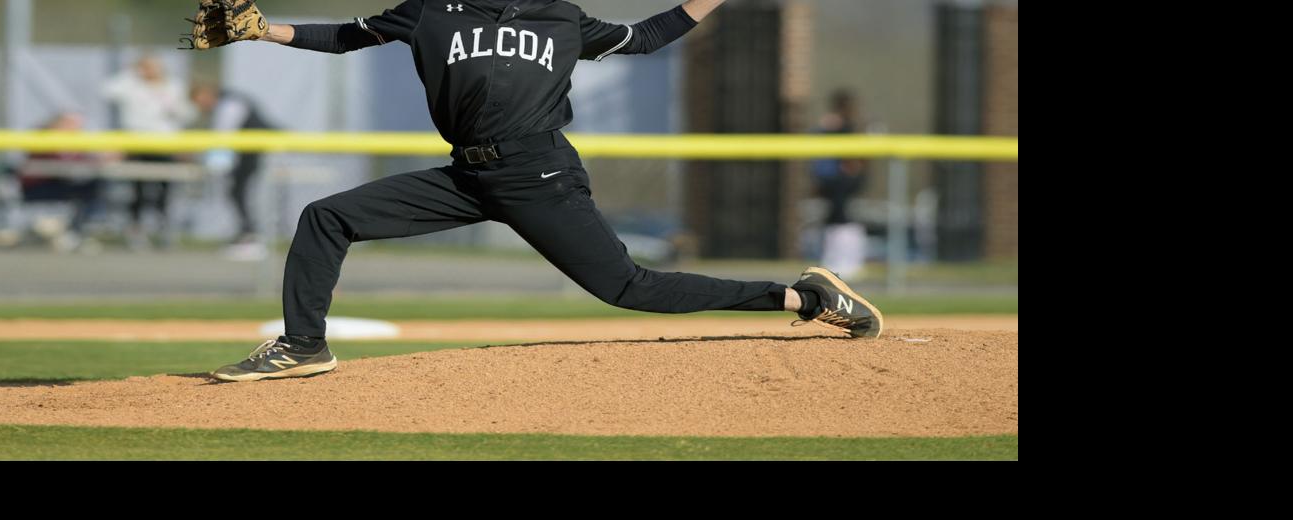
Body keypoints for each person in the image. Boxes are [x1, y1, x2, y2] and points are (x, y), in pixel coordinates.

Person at [189, 0, 884, 383]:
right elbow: (345, 35)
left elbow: (645, 36)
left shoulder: (559, 17)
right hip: (467, 174)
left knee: (627, 287)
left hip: (539, 172)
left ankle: (804, 297)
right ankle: (304, 345)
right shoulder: (430, 12)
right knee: (326, 216)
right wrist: (263, 30)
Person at [102, 56, 196, 250]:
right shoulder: (131, 85)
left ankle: (164, 228)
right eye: (146, 68)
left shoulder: (172, 86)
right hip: (137, 142)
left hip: (164, 144)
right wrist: (132, 73)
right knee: (138, 188)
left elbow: (187, 113)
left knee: (166, 188)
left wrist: (174, 108)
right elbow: (106, 91)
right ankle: (136, 229)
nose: (151, 72)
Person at [191, 83, 278, 259]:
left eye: (200, 100)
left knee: (241, 193)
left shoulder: (230, 103)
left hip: (257, 150)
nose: (201, 106)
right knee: (237, 193)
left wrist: (212, 160)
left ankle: (250, 237)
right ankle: (247, 234)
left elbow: (223, 134)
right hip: (249, 152)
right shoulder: (228, 103)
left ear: (207, 93)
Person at [13, 112, 111, 253]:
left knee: (93, 187)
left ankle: (77, 230)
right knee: (81, 190)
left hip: (61, 183)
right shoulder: (42, 137)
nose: (75, 129)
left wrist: (100, 158)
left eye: (78, 126)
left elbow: (82, 160)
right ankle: (66, 231)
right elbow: (58, 160)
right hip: (40, 185)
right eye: (71, 124)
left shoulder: (76, 141)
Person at [814, 90, 869, 282]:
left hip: (842, 178)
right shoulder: (831, 123)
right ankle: (837, 262)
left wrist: (852, 167)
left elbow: (856, 157)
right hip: (832, 177)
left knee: (842, 216)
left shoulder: (850, 125)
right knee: (835, 216)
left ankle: (847, 262)